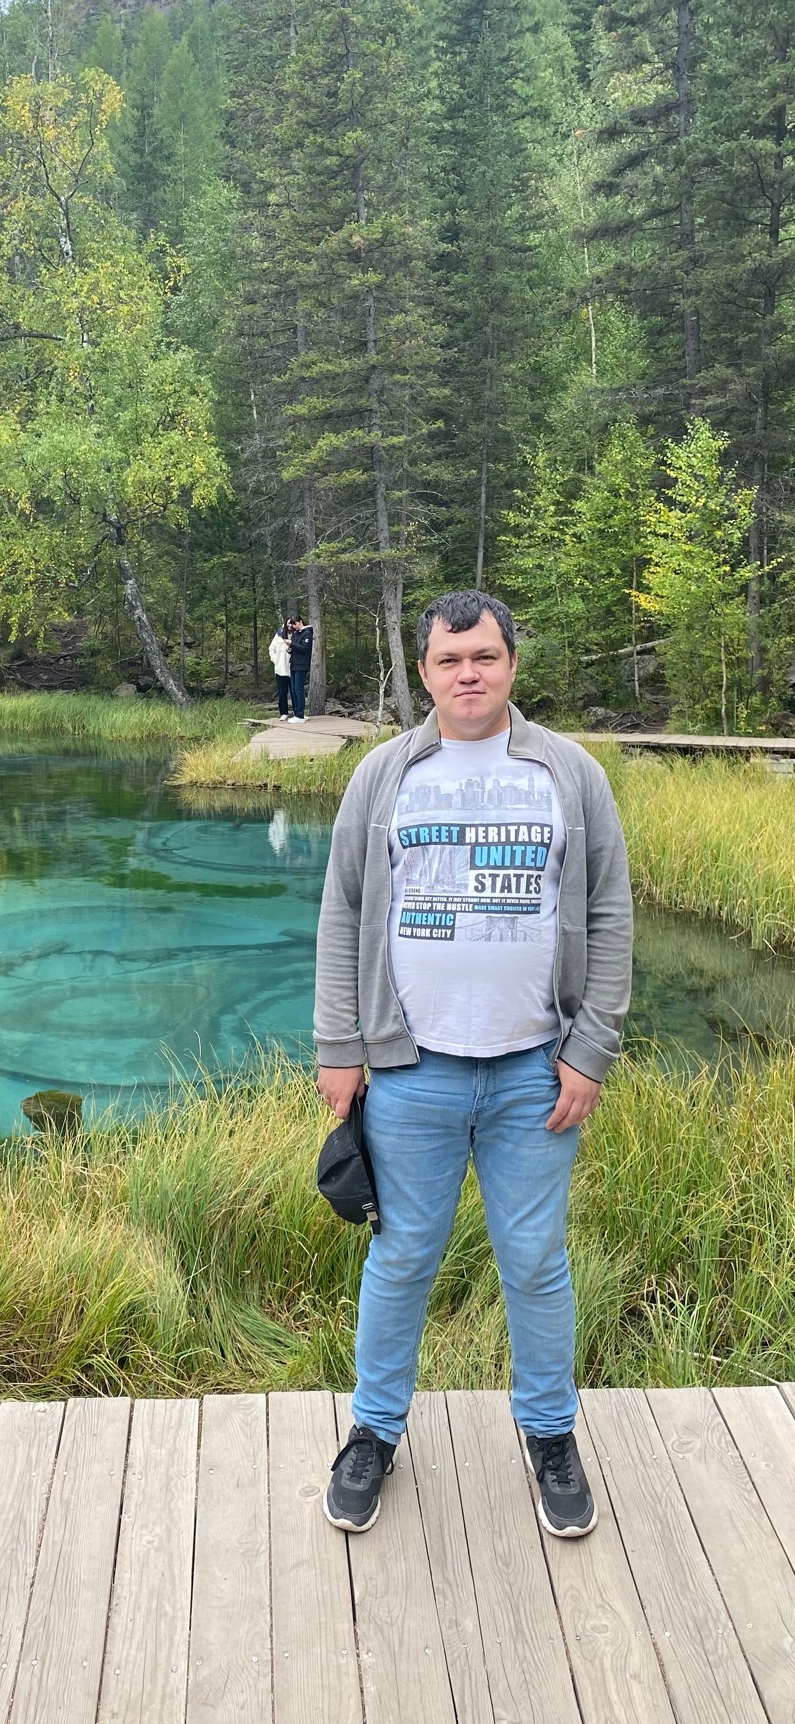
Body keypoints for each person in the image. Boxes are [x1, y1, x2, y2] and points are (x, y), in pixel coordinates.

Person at [314, 588, 632, 1540]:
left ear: (509, 665)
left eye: (484, 658)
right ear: (424, 672)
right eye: (449, 662)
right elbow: (342, 912)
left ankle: (548, 1437)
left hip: (535, 1070)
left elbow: (610, 915)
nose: (467, 675)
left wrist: (590, 1051)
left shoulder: (567, 774)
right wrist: (340, 1047)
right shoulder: (383, 776)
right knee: (401, 1256)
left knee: (533, 1264)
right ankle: (373, 1432)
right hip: (410, 1072)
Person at [288, 615, 313, 721]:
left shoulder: (307, 633)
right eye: (292, 624)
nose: (293, 626)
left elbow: (304, 649)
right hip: (294, 664)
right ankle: (296, 713)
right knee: (293, 690)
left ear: (300, 622)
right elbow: (294, 648)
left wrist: (292, 644)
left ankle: (300, 715)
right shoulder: (295, 634)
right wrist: (289, 648)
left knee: (299, 690)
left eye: (295, 624)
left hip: (302, 665)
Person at [268, 618, 292, 718]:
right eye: (288, 624)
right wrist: (275, 660)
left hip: (293, 668)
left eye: (292, 624)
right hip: (280, 669)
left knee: (296, 691)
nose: (290, 626)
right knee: (282, 692)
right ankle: (283, 713)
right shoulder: (278, 635)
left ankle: (298, 712)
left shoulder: (297, 635)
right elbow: (271, 649)